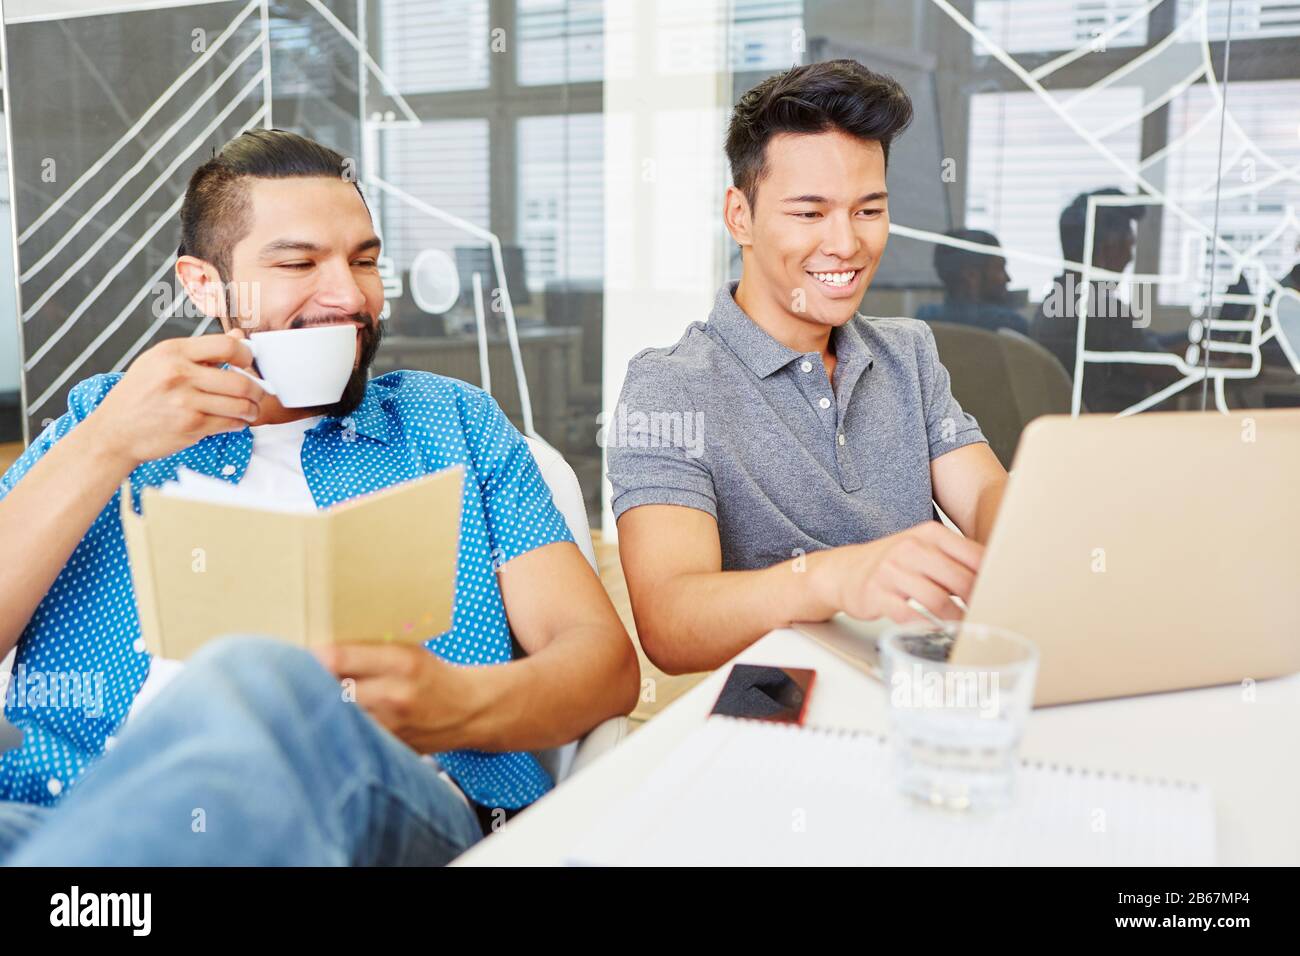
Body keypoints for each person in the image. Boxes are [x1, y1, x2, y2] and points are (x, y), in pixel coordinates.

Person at [0, 129, 639, 865]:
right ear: (205, 285)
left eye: (365, 261)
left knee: (260, 673)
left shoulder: (449, 423)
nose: (350, 296)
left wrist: (451, 706)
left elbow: (605, 667)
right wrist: (107, 446)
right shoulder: (101, 422)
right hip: (66, 813)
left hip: (386, 808)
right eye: (300, 262)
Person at [607, 60, 1007, 676]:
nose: (845, 244)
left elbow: (983, 494)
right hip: (792, 708)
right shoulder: (669, 388)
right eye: (810, 213)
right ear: (740, 215)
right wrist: (837, 577)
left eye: (868, 211)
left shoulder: (908, 353)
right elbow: (669, 619)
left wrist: (1026, 532)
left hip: (927, 675)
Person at [1032, 188, 1182, 412]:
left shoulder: (1055, 301)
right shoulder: (1102, 310)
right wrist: (1231, 368)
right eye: (1128, 245)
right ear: (1107, 249)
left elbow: (1143, 341)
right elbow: (1165, 369)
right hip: (1115, 433)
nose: (1130, 258)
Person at [916, 229, 1028, 335]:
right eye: (999, 268)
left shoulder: (924, 318)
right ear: (971, 276)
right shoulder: (1012, 324)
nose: (1008, 278)